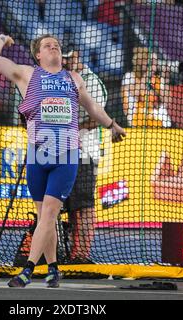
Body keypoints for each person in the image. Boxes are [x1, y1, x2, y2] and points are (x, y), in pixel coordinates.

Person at [0, 34, 126, 288]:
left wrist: (111, 125)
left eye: (57, 46)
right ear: (38, 55)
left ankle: (27, 270)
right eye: (48, 45)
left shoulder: (74, 79)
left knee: (50, 213)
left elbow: (92, 107)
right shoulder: (26, 75)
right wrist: (2, 38)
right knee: (44, 217)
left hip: (67, 155)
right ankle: (52, 269)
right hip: (38, 156)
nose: (54, 47)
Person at [62, 49, 107, 263]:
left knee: (85, 205)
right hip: (66, 152)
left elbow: (96, 118)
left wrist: (71, 126)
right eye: (64, 58)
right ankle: (74, 251)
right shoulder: (63, 77)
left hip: (86, 154)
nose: (66, 61)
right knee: (71, 206)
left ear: (78, 56)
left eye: (69, 58)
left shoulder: (91, 82)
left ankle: (83, 254)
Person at [121, 46, 172, 127]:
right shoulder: (130, 76)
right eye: (151, 62)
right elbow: (136, 93)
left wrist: (165, 79)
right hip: (137, 122)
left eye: (155, 62)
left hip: (159, 123)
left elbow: (166, 102)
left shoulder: (157, 79)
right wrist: (148, 74)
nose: (154, 64)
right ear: (141, 62)